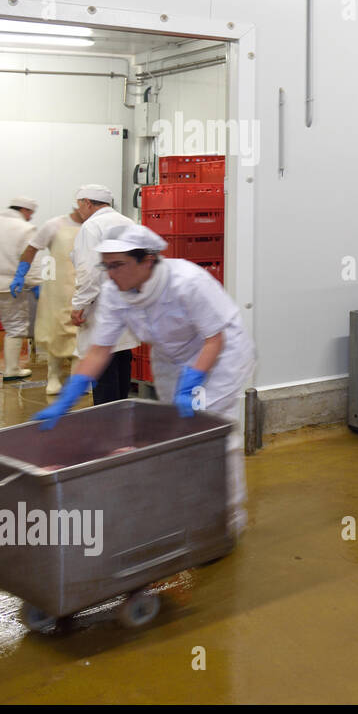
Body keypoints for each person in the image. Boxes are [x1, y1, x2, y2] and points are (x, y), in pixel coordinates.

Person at [34, 224, 254, 539]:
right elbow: (99, 350)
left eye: (118, 265)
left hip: (220, 358)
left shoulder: (187, 281)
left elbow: (214, 339)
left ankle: (228, 518)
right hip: (170, 357)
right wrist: (67, 398)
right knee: (178, 434)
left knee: (213, 431)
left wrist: (192, 383)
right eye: (106, 265)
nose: (110, 274)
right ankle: (190, 505)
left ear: (147, 260)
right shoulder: (114, 291)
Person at [69, 184, 138, 403]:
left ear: (87, 203)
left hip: (102, 308)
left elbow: (89, 271)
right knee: (122, 361)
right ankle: (123, 421)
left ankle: (107, 428)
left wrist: (79, 305)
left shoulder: (92, 227)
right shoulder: (129, 222)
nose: (79, 211)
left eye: (79, 206)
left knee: (103, 371)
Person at [12, 206, 82, 394]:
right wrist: (22, 273)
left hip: (83, 284)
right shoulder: (54, 225)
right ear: (81, 203)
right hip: (58, 286)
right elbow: (32, 248)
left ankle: (78, 378)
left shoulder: (94, 225)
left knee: (81, 331)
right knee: (56, 331)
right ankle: (53, 376)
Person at [0, 196, 41, 380]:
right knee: (15, 327)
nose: (31, 217)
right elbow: (30, 258)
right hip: (11, 286)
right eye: (30, 213)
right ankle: (11, 370)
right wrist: (35, 283)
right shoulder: (25, 229)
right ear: (25, 210)